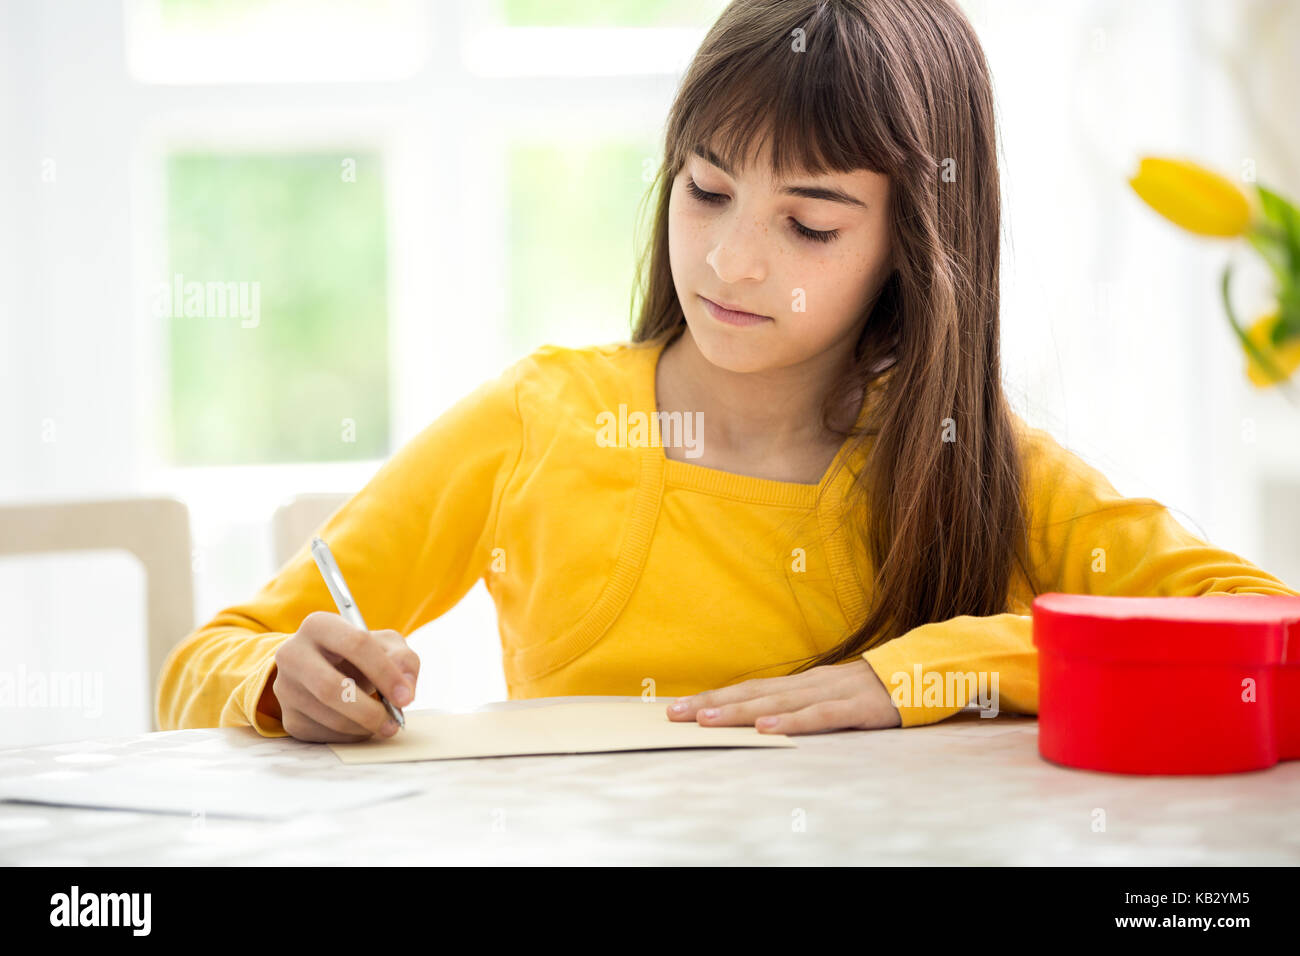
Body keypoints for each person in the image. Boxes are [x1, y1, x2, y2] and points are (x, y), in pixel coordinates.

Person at [156, 0, 1299, 743]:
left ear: (911, 245)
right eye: (706, 191)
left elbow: (1270, 637)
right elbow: (202, 660)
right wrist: (282, 681)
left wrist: (931, 670)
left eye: (809, 224)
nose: (730, 260)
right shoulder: (540, 422)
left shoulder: (979, 465)